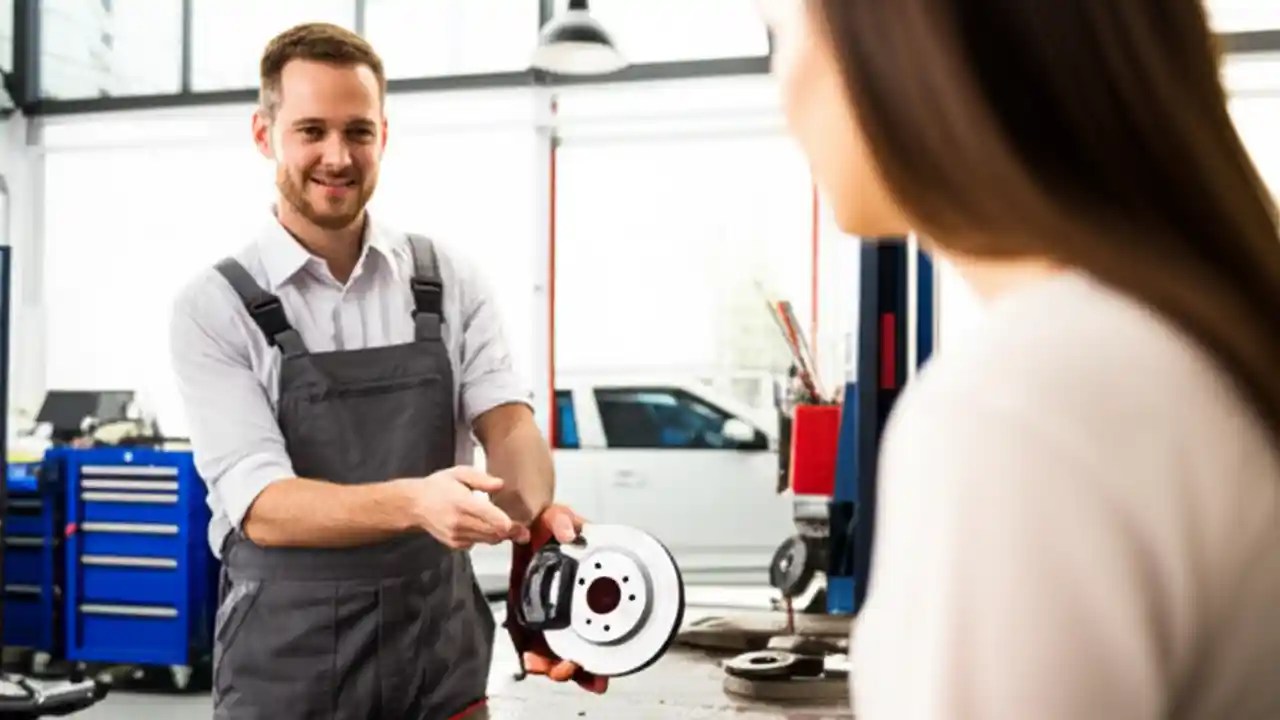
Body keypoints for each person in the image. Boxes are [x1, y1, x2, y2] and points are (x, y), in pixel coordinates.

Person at [759, 1, 1280, 718]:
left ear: (900, 45)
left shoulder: (1020, 402)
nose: (778, 83)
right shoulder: (1191, 340)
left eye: (780, 31)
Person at [169, 22, 586, 719]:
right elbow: (263, 506)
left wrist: (530, 515)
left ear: (383, 137)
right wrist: (417, 504)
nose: (337, 156)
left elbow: (509, 425)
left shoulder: (448, 279)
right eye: (311, 130)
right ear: (264, 133)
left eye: (358, 132)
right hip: (287, 672)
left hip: (439, 660)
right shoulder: (213, 307)